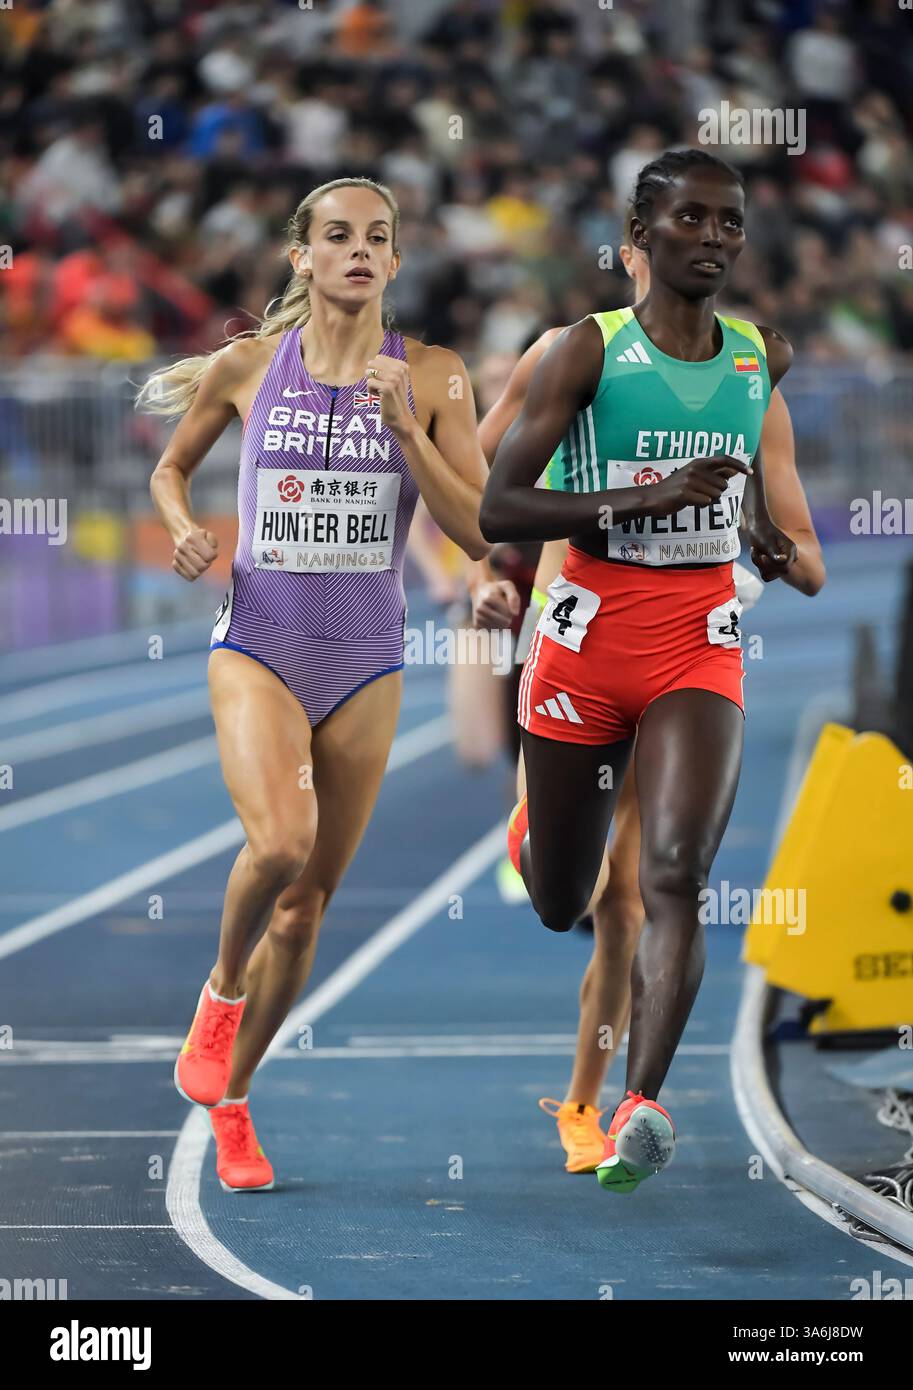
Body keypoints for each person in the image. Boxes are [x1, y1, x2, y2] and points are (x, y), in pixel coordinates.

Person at [140, 177, 488, 1191]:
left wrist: (411, 432)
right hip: (259, 637)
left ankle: (236, 1097)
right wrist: (182, 529)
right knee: (280, 844)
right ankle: (216, 993)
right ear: (301, 257)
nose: (358, 252)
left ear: (395, 256)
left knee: (306, 907)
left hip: (369, 652)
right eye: (336, 237)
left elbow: (475, 533)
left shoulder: (434, 375)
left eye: (377, 237)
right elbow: (170, 469)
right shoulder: (250, 366)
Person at [473, 208, 825, 1175]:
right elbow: (486, 491)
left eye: (731, 223)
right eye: (686, 223)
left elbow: (805, 561)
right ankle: (535, 835)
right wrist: (492, 571)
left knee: (662, 886)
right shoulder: (572, 351)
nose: (711, 240)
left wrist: (766, 542)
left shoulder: (761, 366)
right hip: (579, 633)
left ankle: (628, 1106)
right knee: (567, 901)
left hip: (695, 644)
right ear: (634, 246)